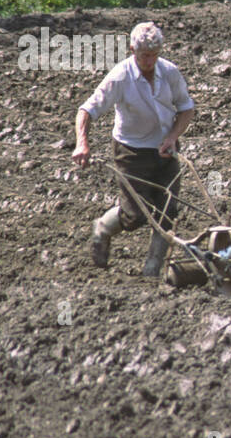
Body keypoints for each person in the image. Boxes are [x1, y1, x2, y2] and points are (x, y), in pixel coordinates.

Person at [72, 22, 195, 275]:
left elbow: (186, 108)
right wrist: (82, 143)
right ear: (132, 50)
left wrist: (173, 137)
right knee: (136, 215)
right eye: (144, 56)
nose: (149, 61)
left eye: (154, 55)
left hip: (165, 149)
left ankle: (151, 271)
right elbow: (86, 110)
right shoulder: (120, 77)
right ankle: (103, 228)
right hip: (131, 152)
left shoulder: (170, 72)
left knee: (167, 213)